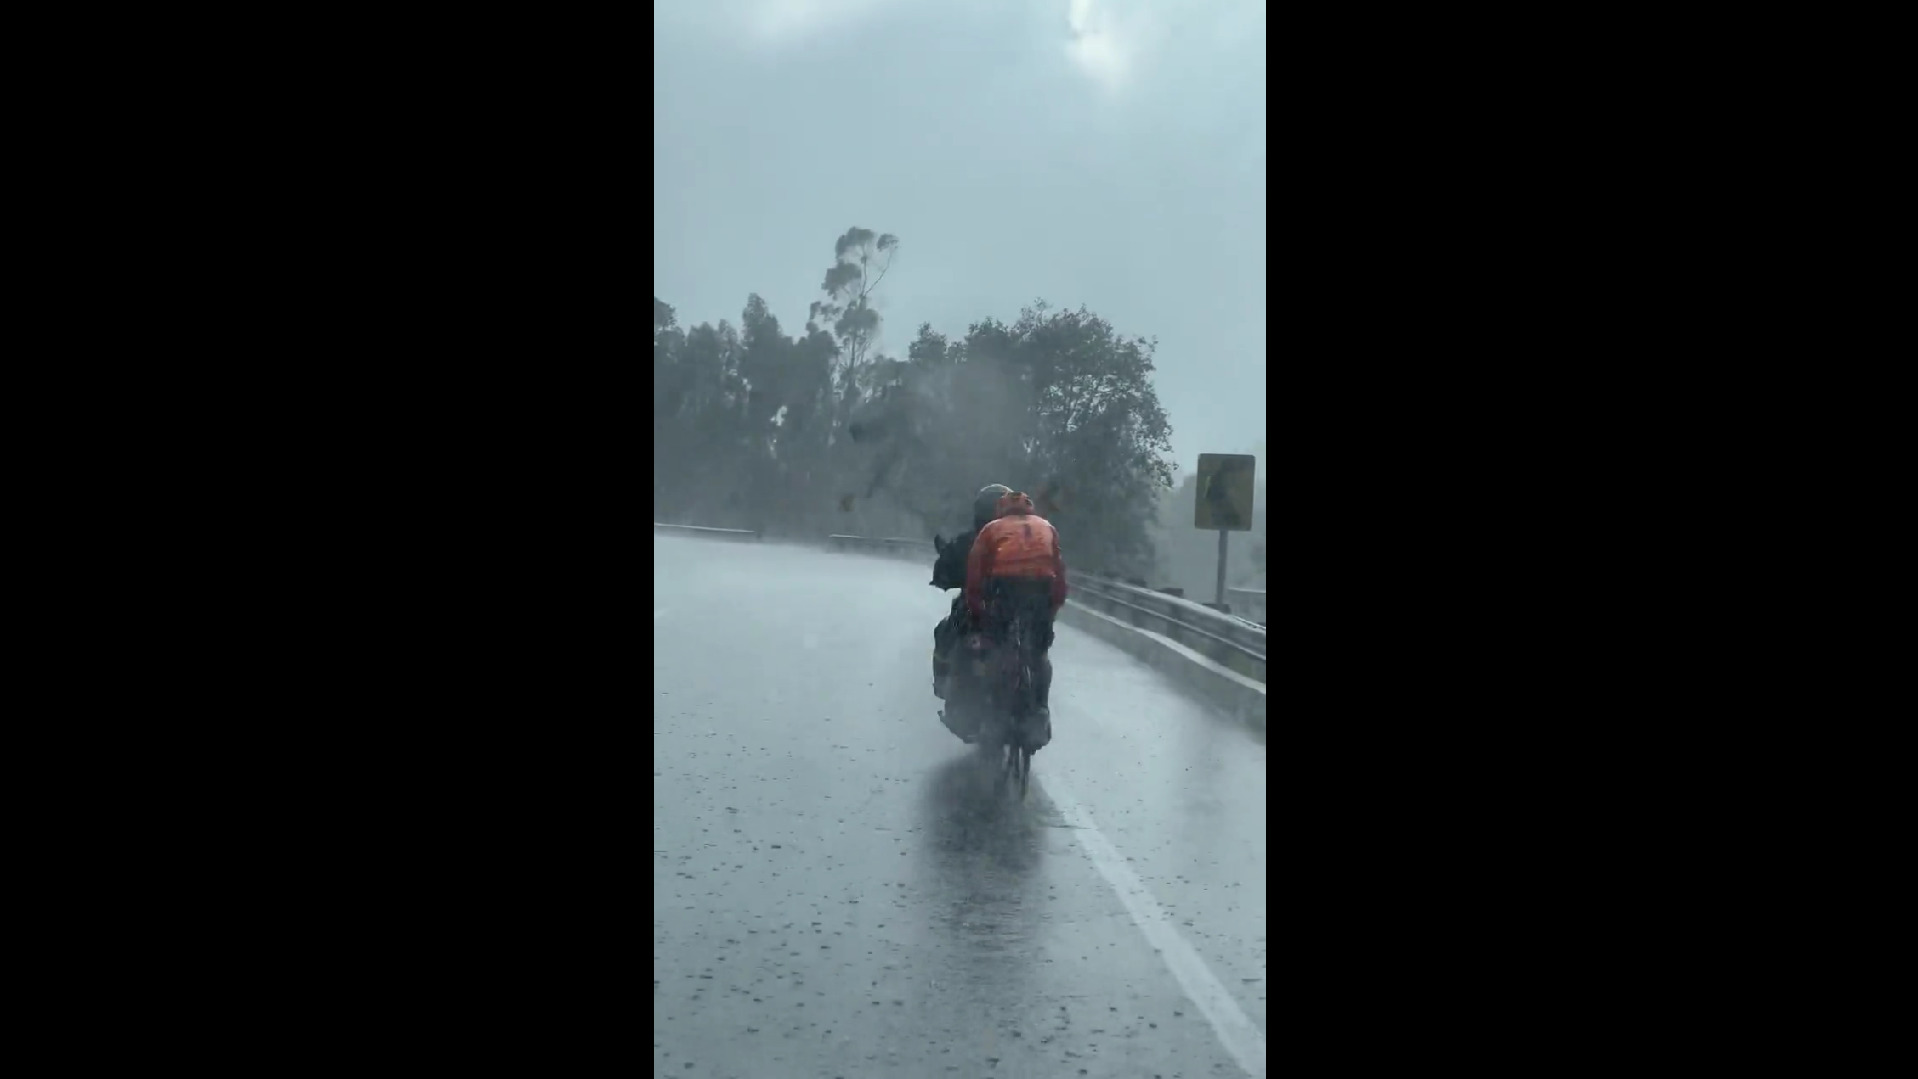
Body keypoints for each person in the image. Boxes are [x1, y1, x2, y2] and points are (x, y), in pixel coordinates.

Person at [964, 489, 1067, 731]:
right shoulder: (1047, 527)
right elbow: (1060, 573)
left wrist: (977, 608)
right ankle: (1041, 707)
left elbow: (974, 574)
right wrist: (1053, 608)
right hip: (1040, 592)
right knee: (1039, 655)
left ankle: (993, 703)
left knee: (995, 646)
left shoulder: (992, 529)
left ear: (1001, 510)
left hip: (1005, 590)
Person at [930, 484, 1012, 699]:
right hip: (1014, 614)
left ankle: (943, 685)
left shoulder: (970, 541)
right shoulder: (1026, 544)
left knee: (944, 632)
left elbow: (944, 572)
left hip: (978, 612)